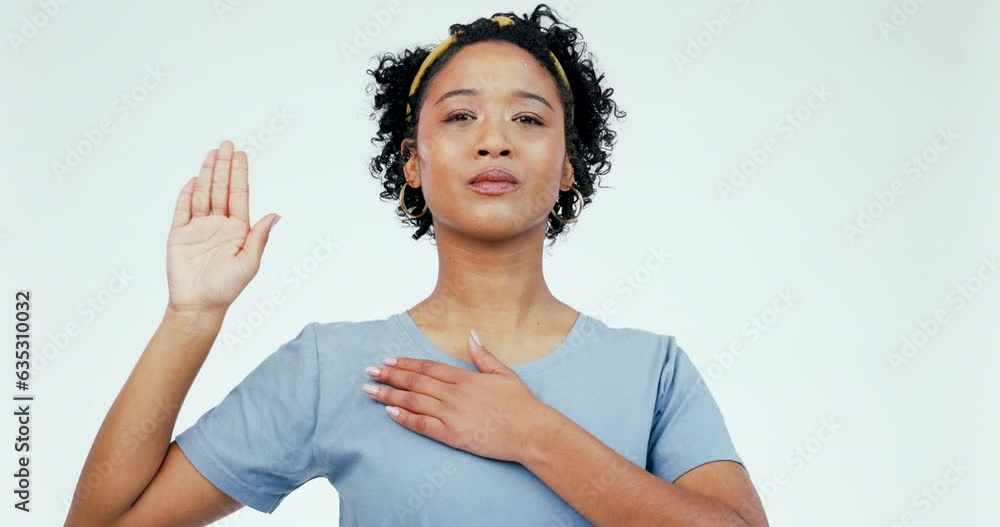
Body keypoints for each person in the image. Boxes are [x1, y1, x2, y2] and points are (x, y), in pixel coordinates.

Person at [66, 5, 767, 526]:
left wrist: (532, 432)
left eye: (528, 119)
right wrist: (193, 316)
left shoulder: (652, 371)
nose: (493, 140)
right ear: (412, 164)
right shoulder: (334, 366)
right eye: (460, 117)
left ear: (567, 169)